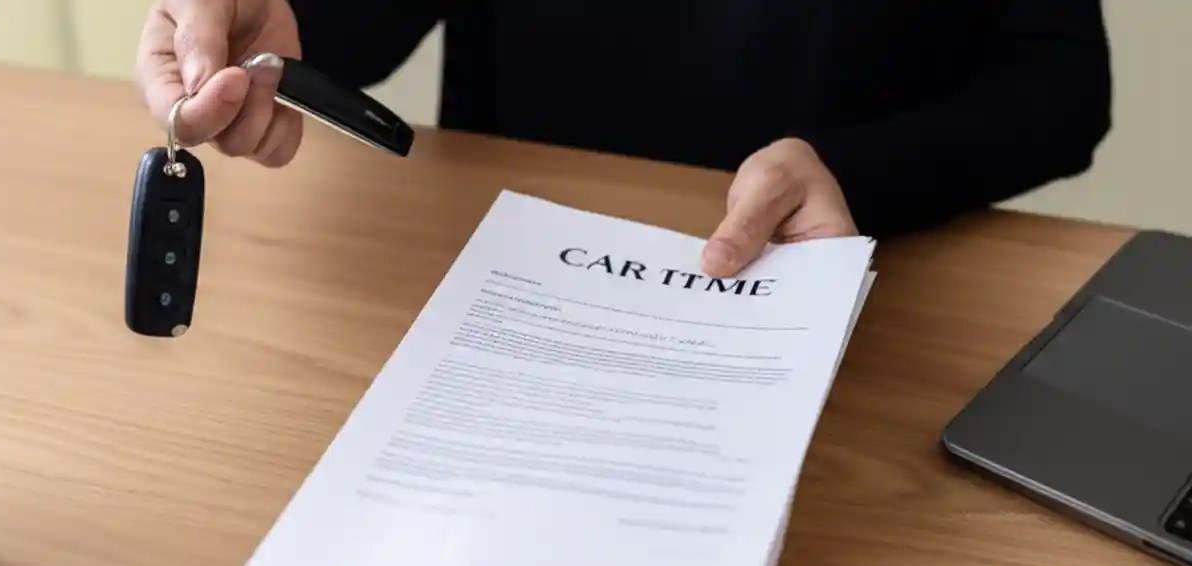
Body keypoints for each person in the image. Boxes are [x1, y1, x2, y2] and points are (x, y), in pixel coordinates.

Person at [135, 1, 1112, 277]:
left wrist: (855, 169)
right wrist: (267, 13)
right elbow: (362, 25)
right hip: (508, 284)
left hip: (832, 289)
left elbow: (1060, 84)